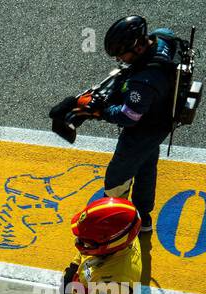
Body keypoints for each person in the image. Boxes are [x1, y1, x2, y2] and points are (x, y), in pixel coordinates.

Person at [63, 15, 184, 232]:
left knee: (117, 178)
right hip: (161, 122)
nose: (120, 59)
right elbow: (169, 34)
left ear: (138, 47)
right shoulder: (162, 40)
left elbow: (128, 116)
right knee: (146, 167)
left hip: (142, 131)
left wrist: (100, 111)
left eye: (122, 54)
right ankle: (142, 216)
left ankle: (114, 222)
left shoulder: (143, 82)